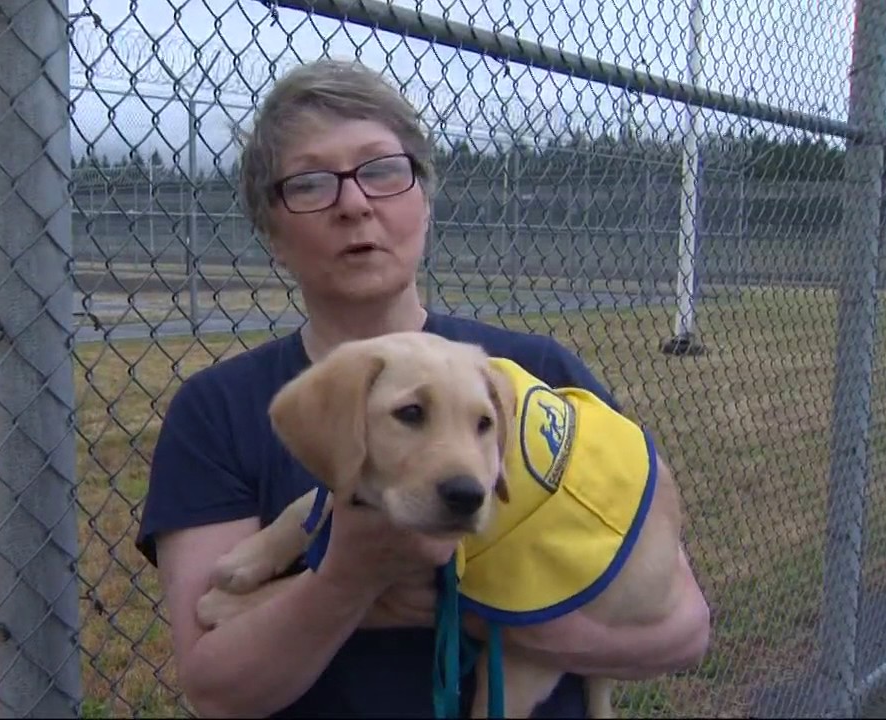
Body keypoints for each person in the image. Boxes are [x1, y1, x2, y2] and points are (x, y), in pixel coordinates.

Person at [134, 58, 711, 718]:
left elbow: (684, 632)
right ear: (272, 231)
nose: (355, 204)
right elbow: (215, 688)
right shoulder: (219, 413)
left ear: (425, 200)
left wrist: (471, 609)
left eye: (383, 170)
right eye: (312, 184)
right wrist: (348, 578)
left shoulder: (537, 377)